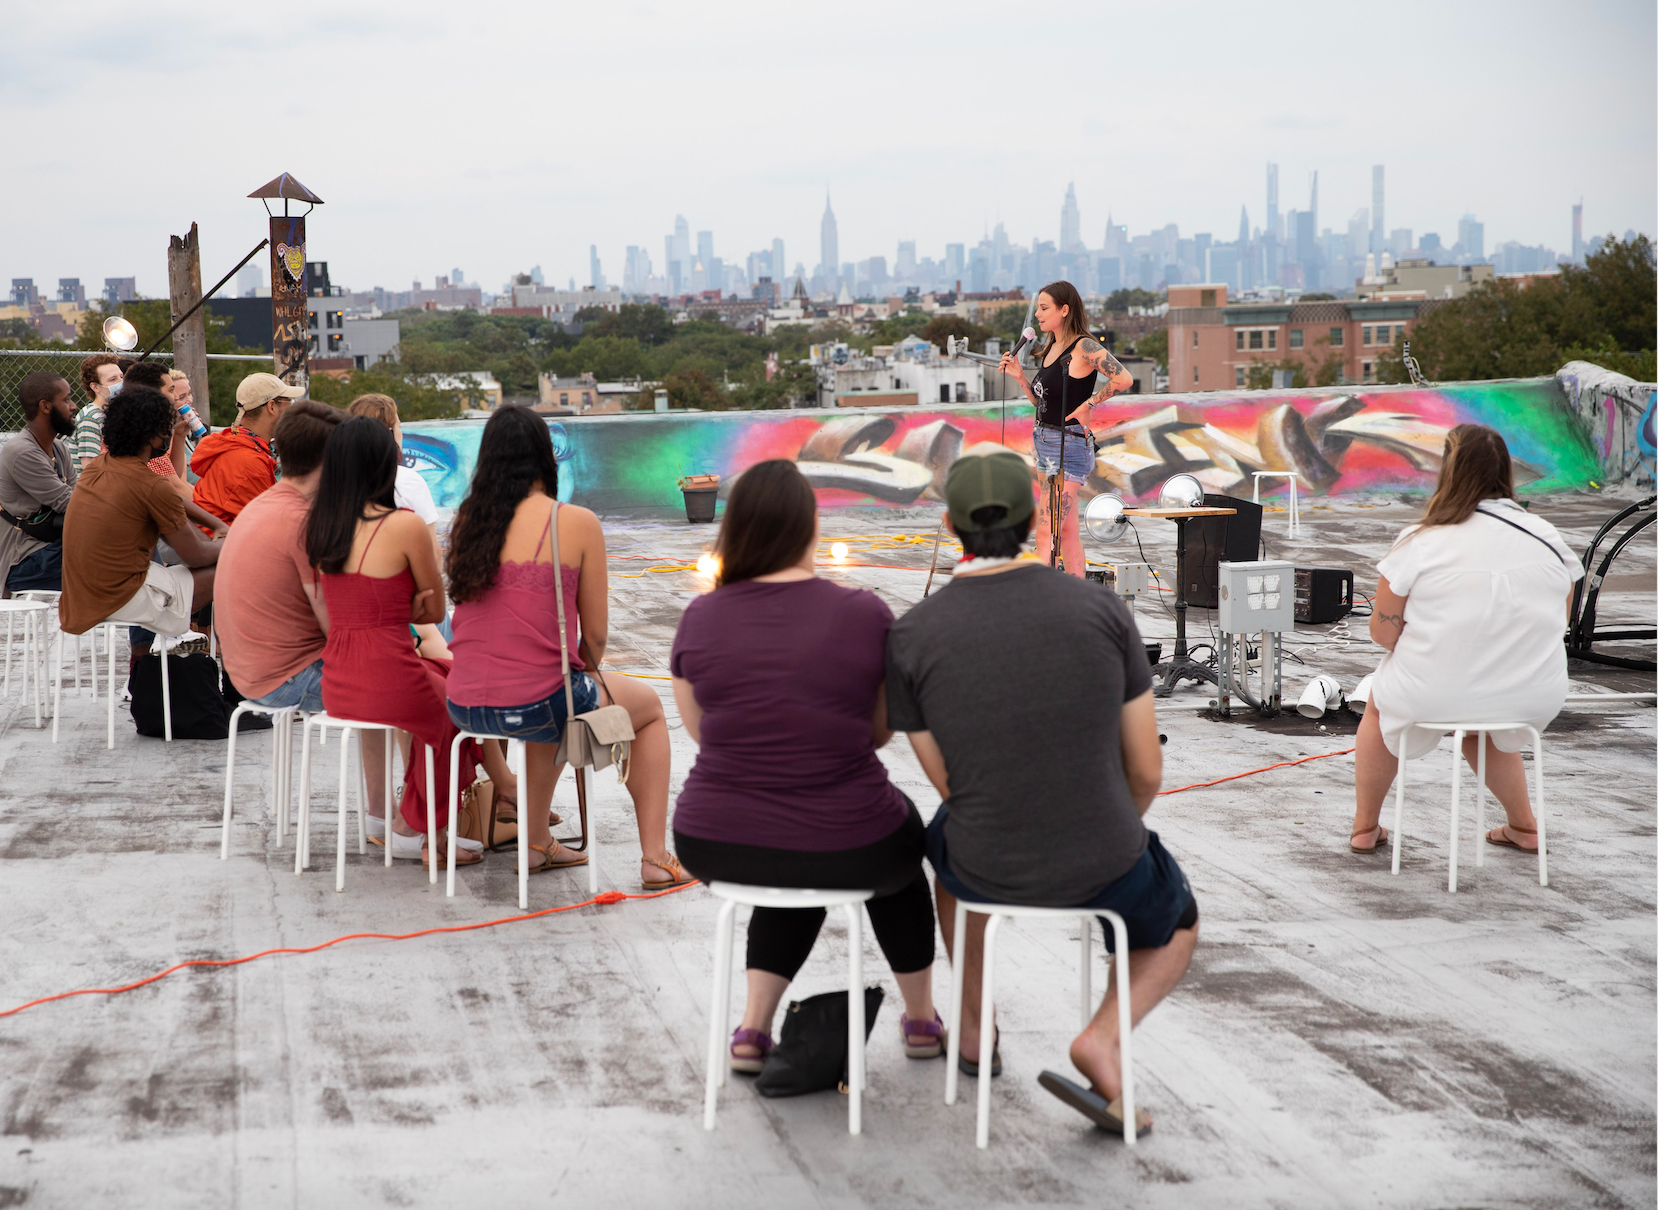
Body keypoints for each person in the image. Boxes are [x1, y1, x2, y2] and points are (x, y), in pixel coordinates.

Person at [885, 447, 1197, 1136]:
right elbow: (1145, 770)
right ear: (1034, 521)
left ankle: (973, 1031)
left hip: (987, 858)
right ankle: (1103, 1039)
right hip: (1105, 857)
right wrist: (1109, 824)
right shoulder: (1101, 610)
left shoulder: (909, 637)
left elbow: (951, 784)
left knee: (948, 858)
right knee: (1178, 924)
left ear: (949, 524)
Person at [671, 459, 943, 1073]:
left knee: (785, 845)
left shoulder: (699, 617)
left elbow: (701, 731)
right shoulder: (864, 612)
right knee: (893, 853)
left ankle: (752, 1028)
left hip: (712, 839)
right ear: (810, 526)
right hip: (848, 836)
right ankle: (922, 1019)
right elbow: (878, 733)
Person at [446, 405, 685, 886]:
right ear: (545, 458)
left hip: (464, 705)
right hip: (537, 699)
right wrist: (587, 678)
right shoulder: (574, 522)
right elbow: (593, 637)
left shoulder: (469, 521)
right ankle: (655, 858)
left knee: (546, 692)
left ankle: (536, 843)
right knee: (649, 708)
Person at [1348, 424, 1585, 856]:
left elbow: (1383, 633)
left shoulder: (1421, 540)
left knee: (1378, 703)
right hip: (1534, 693)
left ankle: (1365, 828)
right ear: (1506, 473)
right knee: (1483, 722)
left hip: (1434, 692)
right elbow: (1560, 620)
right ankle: (1524, 826)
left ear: (1449, 471)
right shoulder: (1548, 538)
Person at [305, 417, 478, 868]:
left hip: (340, 678)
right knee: (453, 709)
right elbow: (435, 610)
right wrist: (403, 605)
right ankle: (428, 835)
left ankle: (418, 822)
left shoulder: (320, 527)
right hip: (389, 670)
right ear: (386, 463)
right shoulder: (404, 526)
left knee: (444, 681)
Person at [58, 386, 222, 647]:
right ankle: (237, 658)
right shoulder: (149, 485)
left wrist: (216, 524)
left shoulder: (100, 466)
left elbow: (168, 494)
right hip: (119, 599)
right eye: (165, 427)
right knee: (231, 564)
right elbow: (196, 555)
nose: (168, 433)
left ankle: (150, 659)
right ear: (151, 435)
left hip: (79, 598)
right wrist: (235, 537)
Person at [996, 281, 1133, 577]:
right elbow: (1042, 402)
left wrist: (1090, 404)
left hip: (1068, 446)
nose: (1038, 316)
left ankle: (1045, 601)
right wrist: (1020, 377)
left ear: (1065, 310)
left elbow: (1123, 378)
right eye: (1038, 310)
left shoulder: (1084, 346)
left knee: (1046, 532)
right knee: (1066, 531)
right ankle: (1077, 596)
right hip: (1044, 442)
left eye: (1044, 309)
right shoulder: (1050, 349)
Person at [215, 400, 342, 716]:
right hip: (286, 682)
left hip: (247, 673)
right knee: (420, 666)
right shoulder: (303, 521)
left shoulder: (263, 504)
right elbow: (336, 626)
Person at [346, 394, 448, 660]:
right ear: (390, 432)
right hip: (406, 608)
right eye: (400, 426)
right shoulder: (407, 480)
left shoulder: (336, 481)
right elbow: (433, 554)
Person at [1, 372, 79, 596]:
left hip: (52, 549)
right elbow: (71, 502)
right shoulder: (21, 451)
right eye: (66, 400)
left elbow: (78, 494)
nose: (73, 406)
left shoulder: (58, 448)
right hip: (24, 561)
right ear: (45, 406)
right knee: (116, 552)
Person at [191, 372, 298, 526]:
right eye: (288, 401)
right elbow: (271, 526)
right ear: (272, 407)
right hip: (224, 545)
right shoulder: (248, 463)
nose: (292, 407)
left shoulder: (235, 442)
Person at [73, 354, 123, 472]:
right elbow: (90, 468)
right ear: (95, 387)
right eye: (113, 379)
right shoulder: (90, 418)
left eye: (121, 377)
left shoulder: (113, 414)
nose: (121, 382)